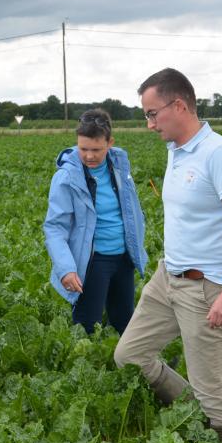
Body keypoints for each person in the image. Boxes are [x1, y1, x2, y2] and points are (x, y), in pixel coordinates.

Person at [113, 68, 222, 443]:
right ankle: (190, 415)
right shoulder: (176, 150)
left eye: (152, 113)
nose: (149, 124)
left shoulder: (218, 154)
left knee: (214, 391)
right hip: (168, 279)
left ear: (179, 105)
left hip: (206, 288)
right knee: (129, 355)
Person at [43, 108, 148, 335]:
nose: (89, 156)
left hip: (123, 258)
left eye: (96, 149)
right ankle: (85, 369)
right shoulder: (66, 176)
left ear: (110, 143)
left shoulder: (119, 166)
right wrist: (66, 269)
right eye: (83, 149)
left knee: (124, 323)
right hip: (92, 261)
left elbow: (131, 211)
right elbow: (54, 227)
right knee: (86, 326)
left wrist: (138, 248)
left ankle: (120, 367)